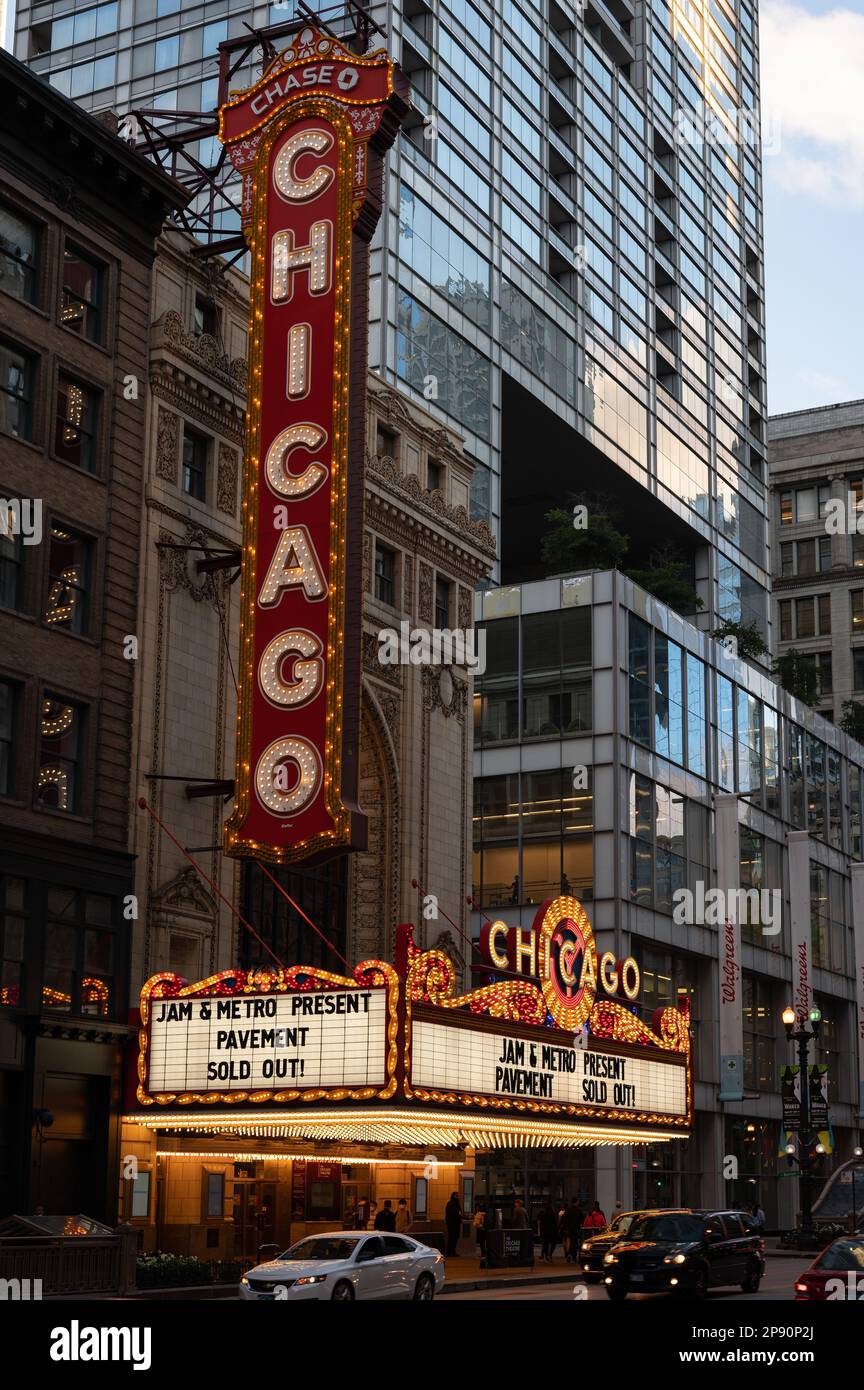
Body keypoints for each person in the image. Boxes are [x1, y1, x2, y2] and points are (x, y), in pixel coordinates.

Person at [445, 1191, 462, 1256]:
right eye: (456, 1196)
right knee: (452, 1237)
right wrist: (458, 1215)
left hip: (457, 1223)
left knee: (456, 1237)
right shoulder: (450, 1204)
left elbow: (459, 1212)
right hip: (452, 1224)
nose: (457, 1197)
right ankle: (450, 1251)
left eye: (458, 1196)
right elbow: (451, 1213)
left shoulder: (457, 1204)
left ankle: (453, 1251)